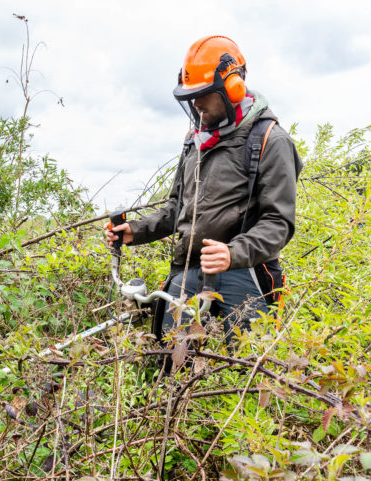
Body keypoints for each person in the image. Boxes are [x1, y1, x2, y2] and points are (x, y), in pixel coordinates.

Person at [105, 35, 302, 344]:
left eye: (204, 94)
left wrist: (232, 253)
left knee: (242, 373)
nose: (195, 104)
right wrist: (138, 230)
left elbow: (279, 223)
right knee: (172, 365)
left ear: (232, 88)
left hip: (245, 275)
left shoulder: (270, 141)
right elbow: (177, 207)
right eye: (190, 96)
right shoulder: (194, 141)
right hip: (188, 271)